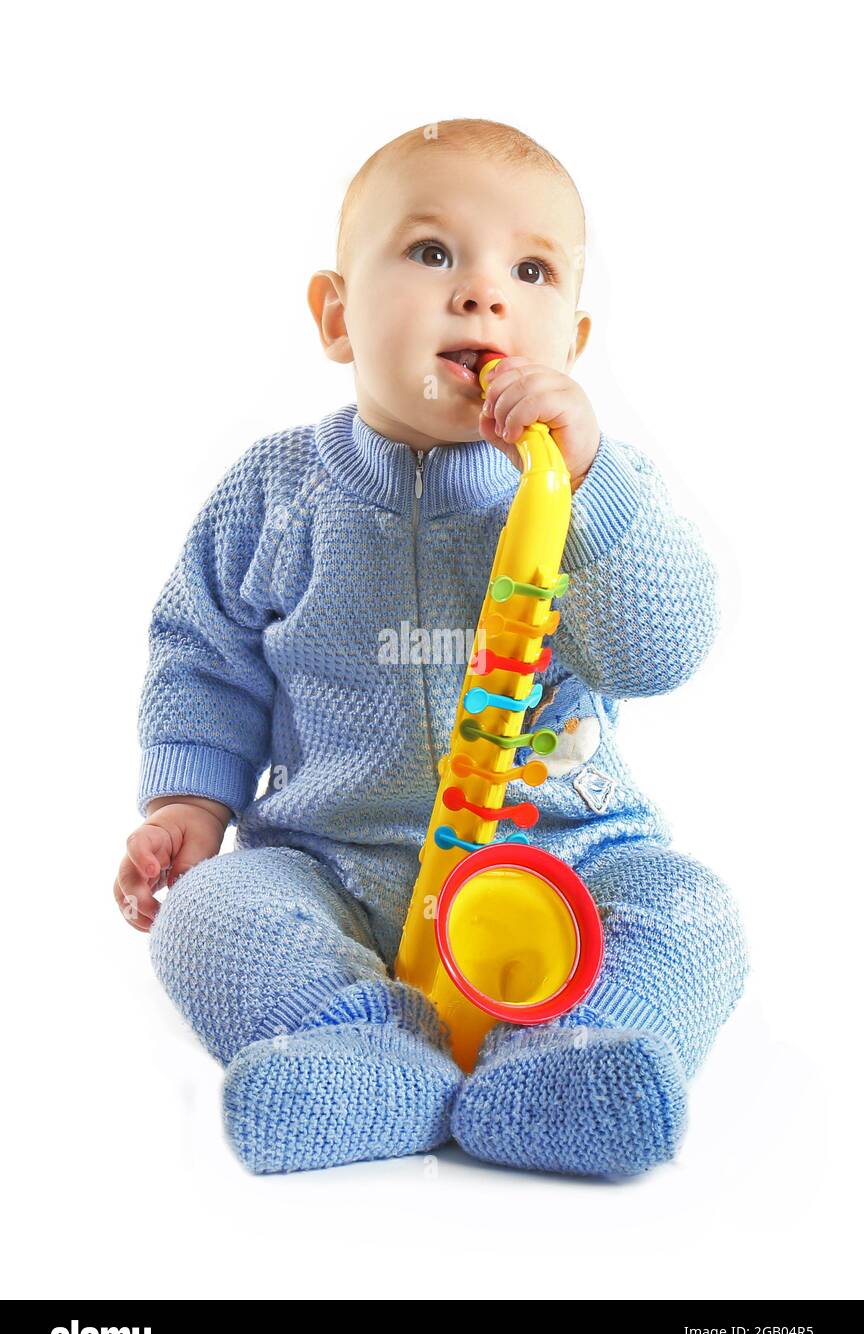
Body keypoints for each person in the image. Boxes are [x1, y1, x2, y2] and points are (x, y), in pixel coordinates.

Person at [114, 118, 749, 1178]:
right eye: (432, 252)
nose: (484, 293)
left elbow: (663, 647)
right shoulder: (274, 492)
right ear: (335, 316)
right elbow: (201, 655)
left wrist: (590, 489)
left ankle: (563, 1057)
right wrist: (190, 804)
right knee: (207, 917)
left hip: (564, 862)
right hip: (332, 870)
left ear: (573, 345)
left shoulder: (592, 494)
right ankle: (372, 1051)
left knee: (692, 909)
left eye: (531, 268)